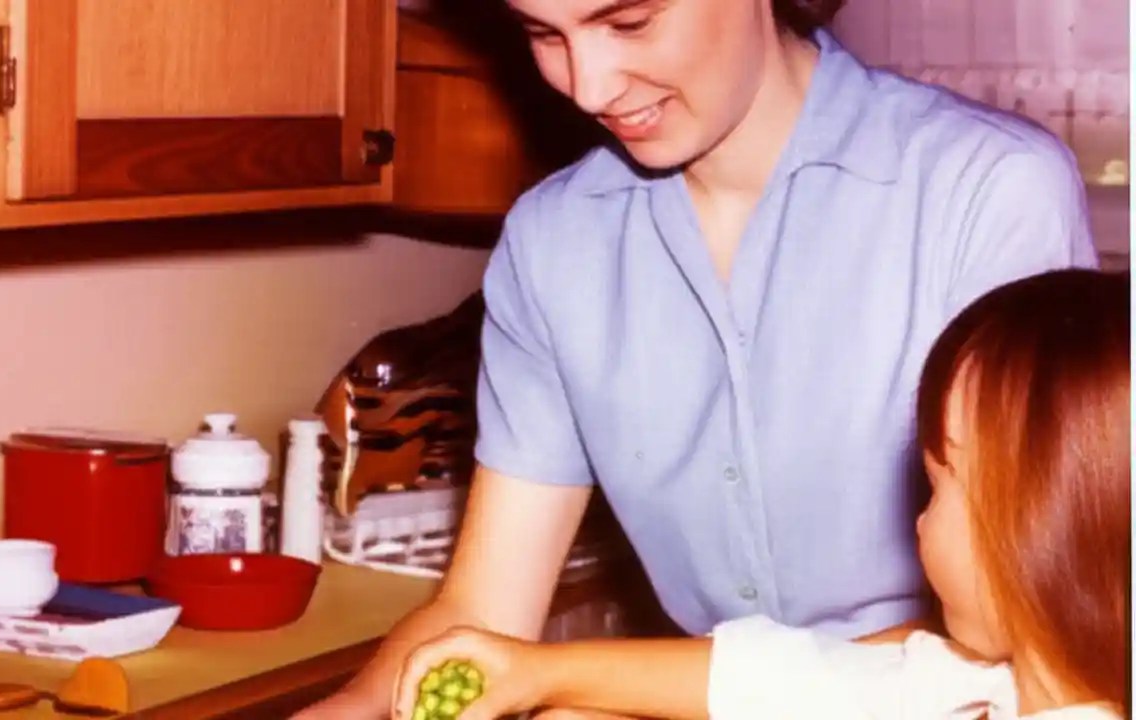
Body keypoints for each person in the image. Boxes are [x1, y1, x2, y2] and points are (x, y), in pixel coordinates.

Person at [295, 0, 1098, 715]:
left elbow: (1030, 615)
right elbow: (482, 614)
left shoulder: (987, 189)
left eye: (629, 21)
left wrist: (578, 682)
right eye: (544, 33)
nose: (589, 85)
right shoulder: (553, 243)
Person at [392, 268, 1131, 720]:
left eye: (941, 483)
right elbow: (788, 678)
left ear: (1040, 527)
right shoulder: (974, 685)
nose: (918, 517)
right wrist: (537, 671)